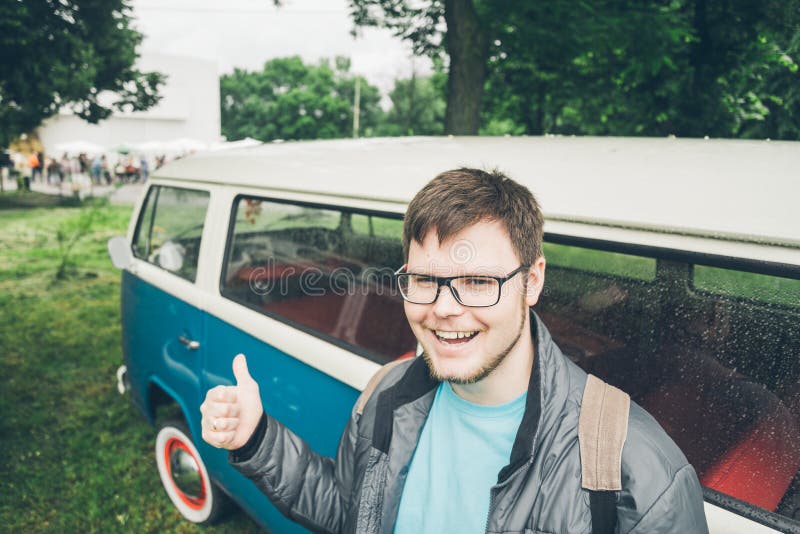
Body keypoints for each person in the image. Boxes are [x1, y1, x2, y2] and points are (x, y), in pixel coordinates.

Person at [200, 168, 709, 533]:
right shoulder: (388, 393)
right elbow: (351, 513)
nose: (444, 309)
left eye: (478, 281)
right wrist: (257, 439)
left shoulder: (634, 470)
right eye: (424, 280)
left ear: (532, 281)